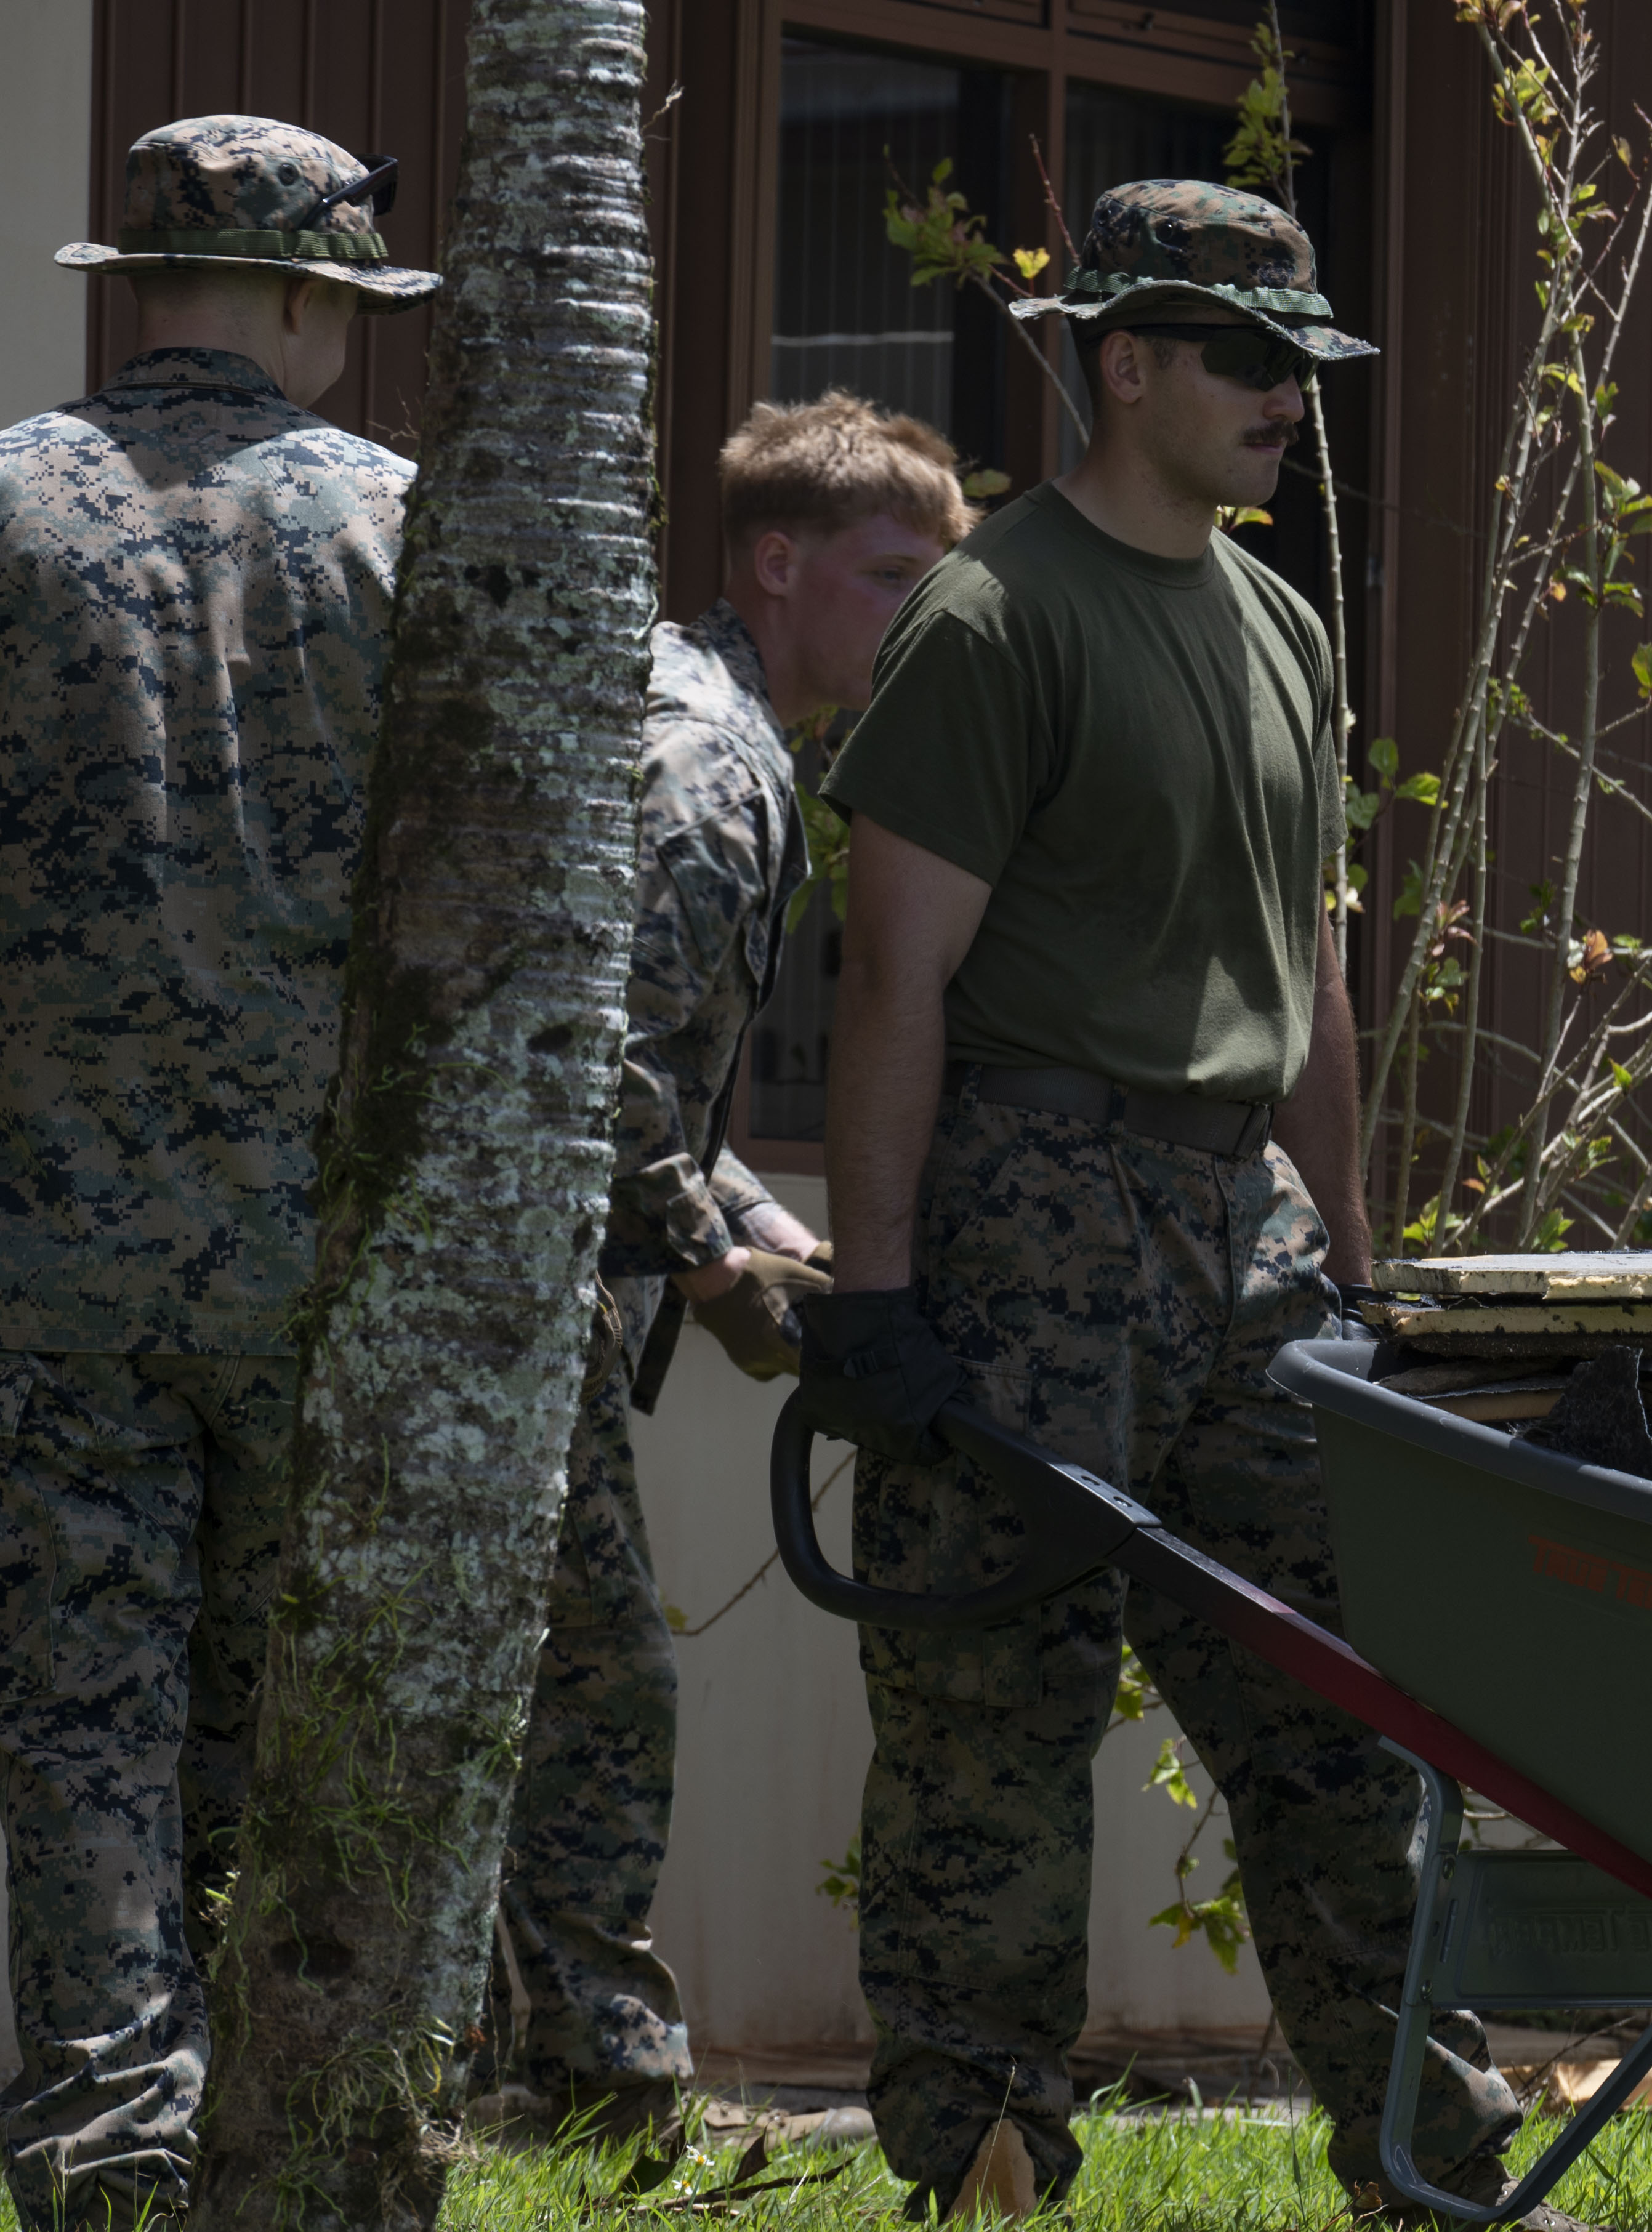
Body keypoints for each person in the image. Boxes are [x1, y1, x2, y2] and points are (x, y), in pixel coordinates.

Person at [794, 181, 1528, 2217]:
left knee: (1349, 1710)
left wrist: (1352, 1273)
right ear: (1125, 365)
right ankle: (986, 2169)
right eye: (1248, 361)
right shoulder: (992, 616)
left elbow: (1308, 976)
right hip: (1033, 1210)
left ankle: (1432, 2165)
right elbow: (895, 976)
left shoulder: (1280, 625)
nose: (1291, 399)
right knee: (996, 1711)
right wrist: (875, 1295)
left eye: (1306, 364)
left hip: (1243, 1229)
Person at [0, 116, 437, 2223]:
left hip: (44, 1242)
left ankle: (107, 2153)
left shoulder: (8, 499)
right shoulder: (401, 525)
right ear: (299, 295)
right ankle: (298, 2142)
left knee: (81, 1718)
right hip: (314, 1250)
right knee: (292, 1720)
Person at [478, 395, 973, 2133]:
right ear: (777, 562)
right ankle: (600, 2098)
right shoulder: (711, 766)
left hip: (518, 1294)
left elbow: (661, 1092)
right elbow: (590, 1061)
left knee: (537, 1686)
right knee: (600, 1697)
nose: (917, 618)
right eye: (889, 577)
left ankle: (522, 2077)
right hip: (503, 1308)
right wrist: (712, 1274)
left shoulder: (717, 727)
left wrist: (765, 1224)